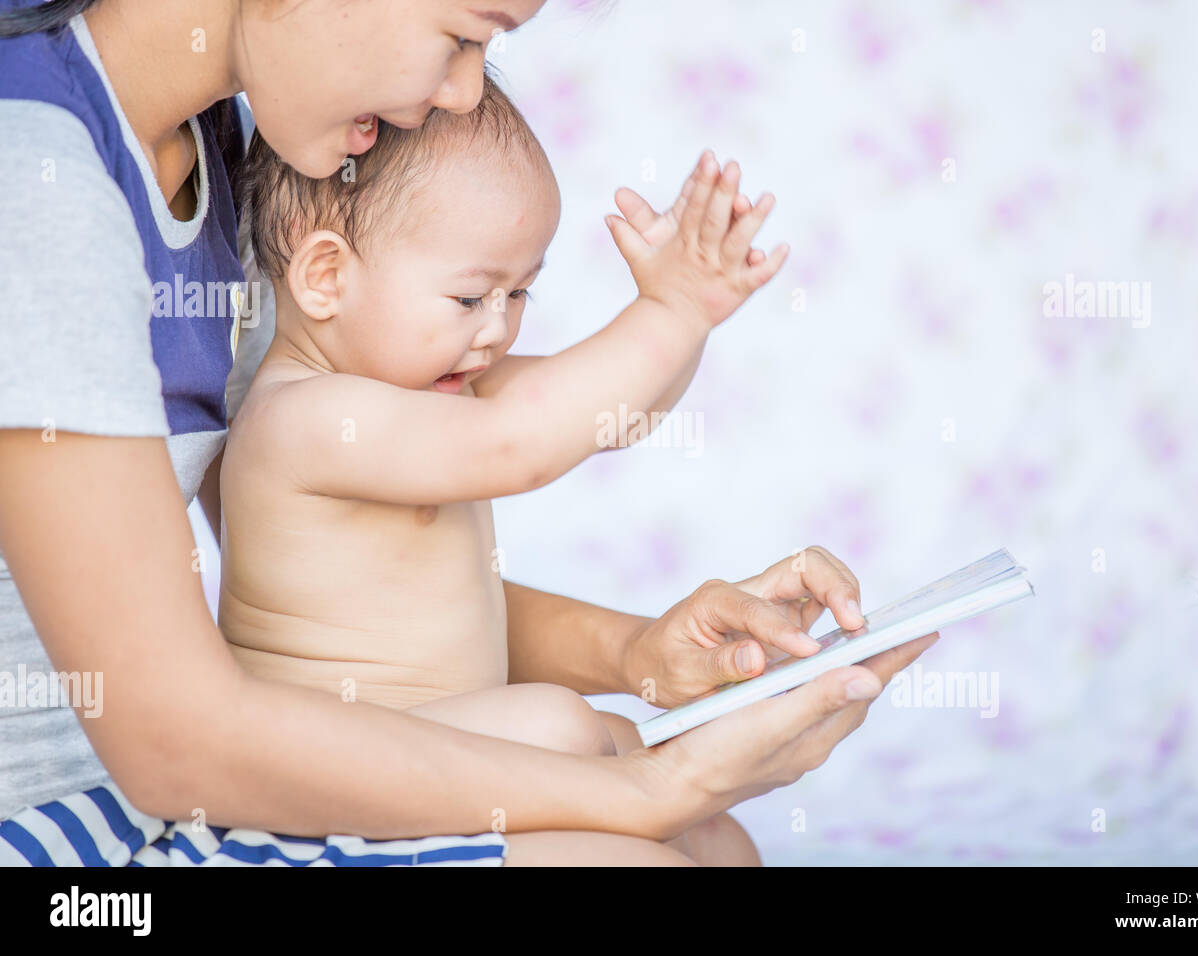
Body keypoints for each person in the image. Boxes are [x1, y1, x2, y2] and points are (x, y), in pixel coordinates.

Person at [0, 0, 939, 866]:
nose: (463, 92)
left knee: (708, 835)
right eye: (462, 33)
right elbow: (520, 443)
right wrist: (675, 312)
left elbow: (385, 579)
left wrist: (640, 656)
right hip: (82, 835)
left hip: (206, 782)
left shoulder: (238, 153)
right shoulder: (36, 167)